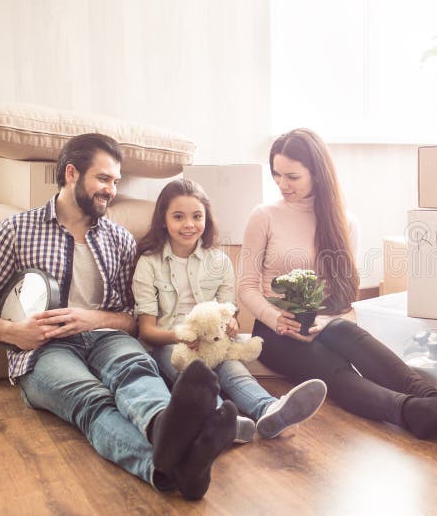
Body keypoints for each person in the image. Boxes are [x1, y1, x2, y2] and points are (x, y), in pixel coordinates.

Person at [0, 134, 235, 500]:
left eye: (116, 181)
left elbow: (133, 318)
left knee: (135, 370)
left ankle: (164, 429)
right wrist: (12, 331)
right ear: (71, 173)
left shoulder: (118, 239)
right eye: (104, 179)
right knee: (93, 400)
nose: (111, 190)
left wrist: (92, 319)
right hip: (43, 350)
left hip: (106, 337)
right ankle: (171, 467)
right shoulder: (15, 231)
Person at [238, 128, 437, 439]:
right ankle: (409, 411)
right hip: (275, 333)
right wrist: (276, 318)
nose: (282, 184)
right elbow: (246, 287)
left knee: (345, 330)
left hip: (322, 322)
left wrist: (324, 322)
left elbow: (342, 292)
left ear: (317, 174)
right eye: (277, 174)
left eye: (292, 176)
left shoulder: (343, 222)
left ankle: (430, 401)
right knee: (332, 366)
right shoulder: (264, 216)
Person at [132, 179, 328, 441]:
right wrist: (185, 337)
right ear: (163, 220)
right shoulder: (149, 263)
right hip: (171, 343)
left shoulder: (219, 261)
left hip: (214, 341)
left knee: (234, 370)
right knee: (194, 375)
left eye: (197, 216)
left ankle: (270, 410)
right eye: (178, 217)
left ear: (206, 218)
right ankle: (218, 419)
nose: (189, 224)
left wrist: (231, 325)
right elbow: (147, 332)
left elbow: (228, 315)